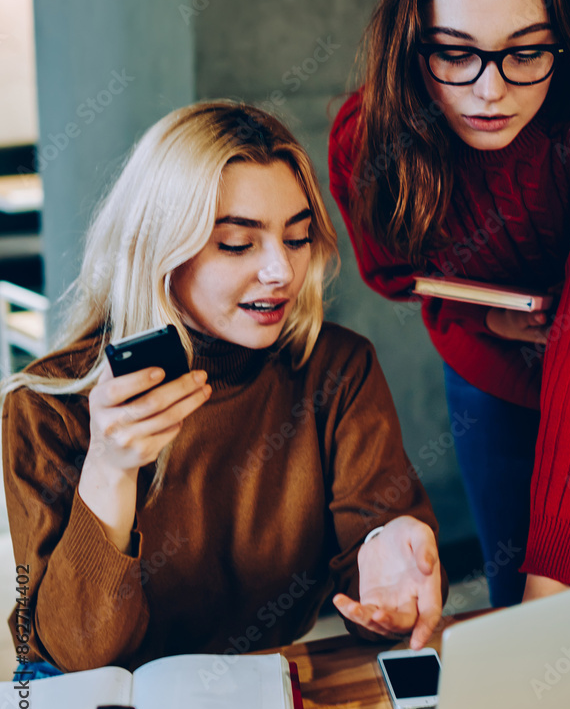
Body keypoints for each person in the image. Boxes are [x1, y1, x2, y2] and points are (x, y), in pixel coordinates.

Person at [1, 101, 446, 677]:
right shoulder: (45, 407)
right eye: (238, 244)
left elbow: (370, 596)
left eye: (298, 237)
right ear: (158, 248)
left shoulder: (335, 369)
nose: (281, 272)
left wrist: (389, 563)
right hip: (105, 705)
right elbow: (73, 656)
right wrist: (109, 469)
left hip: (259, 691)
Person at [328, 0, 570, 608]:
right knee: (516, 604)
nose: (490, 91)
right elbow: (396, 274)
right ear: (411, 44)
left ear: (564, 37)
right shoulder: (369, 134)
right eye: (455, 54)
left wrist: (553, 570)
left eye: (525, 53)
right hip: (494, 372)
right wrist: (487, 320)